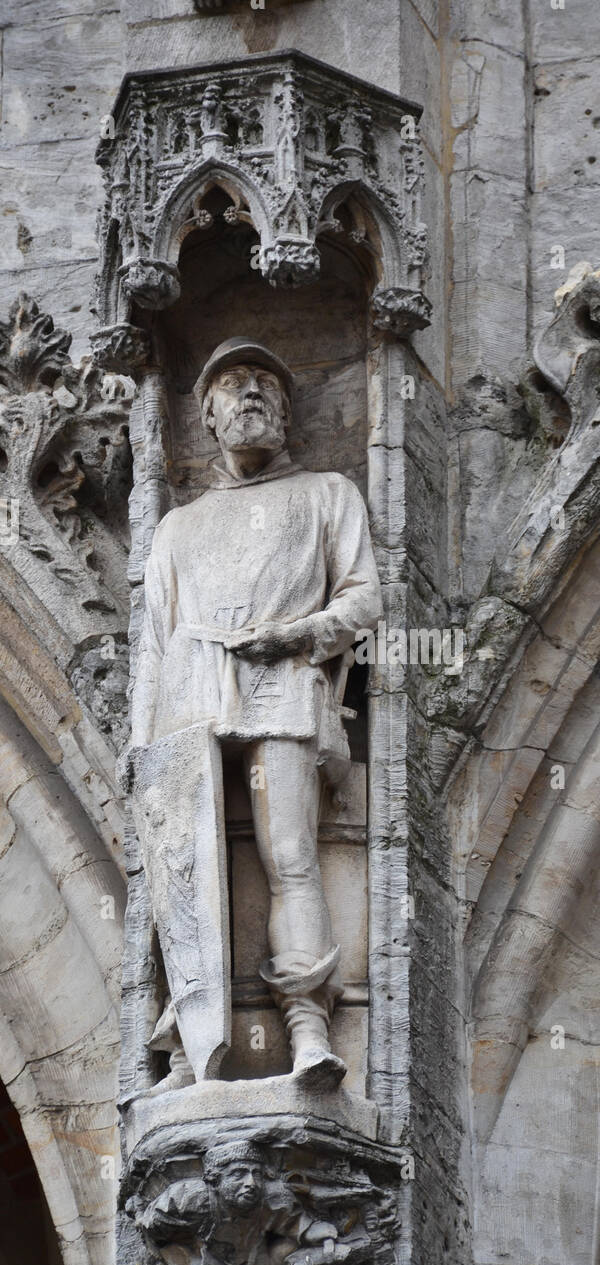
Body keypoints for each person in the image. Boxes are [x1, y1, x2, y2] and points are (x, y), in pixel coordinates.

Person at [128, 338, 383, 1087]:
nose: (251, 396)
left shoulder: (327, 494)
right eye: (233, 386)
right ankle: (189, 1040)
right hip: (191, 692)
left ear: (286, 412)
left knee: (290, 857)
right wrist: (141, 742)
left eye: (266, 386)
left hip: (283, 685)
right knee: (185, 870)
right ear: (206, 415)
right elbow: (153, 641)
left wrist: (299, 635)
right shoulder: (180, 527)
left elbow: (363, 599)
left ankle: (306, 1028)